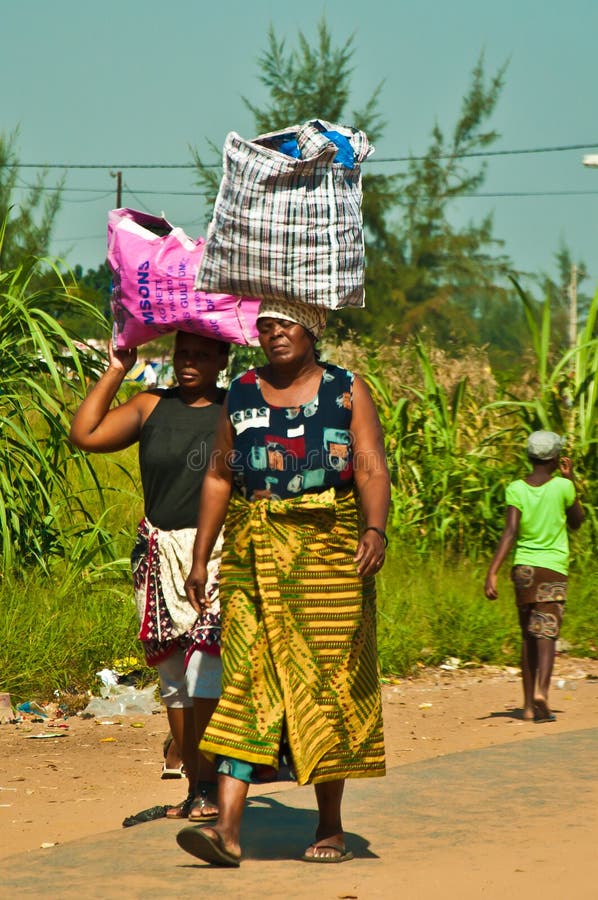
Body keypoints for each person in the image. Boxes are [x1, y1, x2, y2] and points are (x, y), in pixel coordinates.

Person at [176, 297, 390, 867]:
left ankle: (330, 825)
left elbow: (369, 462)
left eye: (285, 325)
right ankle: (226, 830)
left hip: (329, 556)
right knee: (246, 679)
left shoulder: (346, 389)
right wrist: (202, 557)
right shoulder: (242, 390)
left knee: (327, 682)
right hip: (255, 553)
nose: (273, 335)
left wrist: (375, 529)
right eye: (265, 326)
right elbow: (220, 475)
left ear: (312, 329)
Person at [69, 331, 230, 821]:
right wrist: (118, 366)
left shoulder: (235, 407)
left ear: (223, 358)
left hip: (218, 552)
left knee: (207, 668)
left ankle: (212, 781)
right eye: (183, 353)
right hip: (159, 553)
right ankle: (197, 787)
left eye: (201, 355)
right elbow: (85, 434)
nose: (188, 363)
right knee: (174, 677)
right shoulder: (150, 405)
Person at [484, 430, 584, 723]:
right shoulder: (563, 487)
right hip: (553, 568)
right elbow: (577, 522)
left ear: (529, 457)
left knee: (528, 634)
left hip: (523, 570)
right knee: (547, 632)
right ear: (556, 459)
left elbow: (511, 532)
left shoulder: (516, 488)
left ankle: (528, 706)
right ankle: (542, 691)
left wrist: (492, 571)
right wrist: (571, 480)